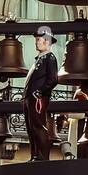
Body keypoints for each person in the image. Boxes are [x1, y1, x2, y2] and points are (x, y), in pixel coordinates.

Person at [23, 31, 59, 160]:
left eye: (39, 39)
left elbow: (53, 79)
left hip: (38, 98)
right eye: (36, 39)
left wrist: (40, 91)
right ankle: (35, 155)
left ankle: (42, 157)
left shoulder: (50, 58)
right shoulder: (39, 59)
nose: (36, 42)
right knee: (31, 128)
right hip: (30, 97)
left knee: (38, 126)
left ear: (47, 42)